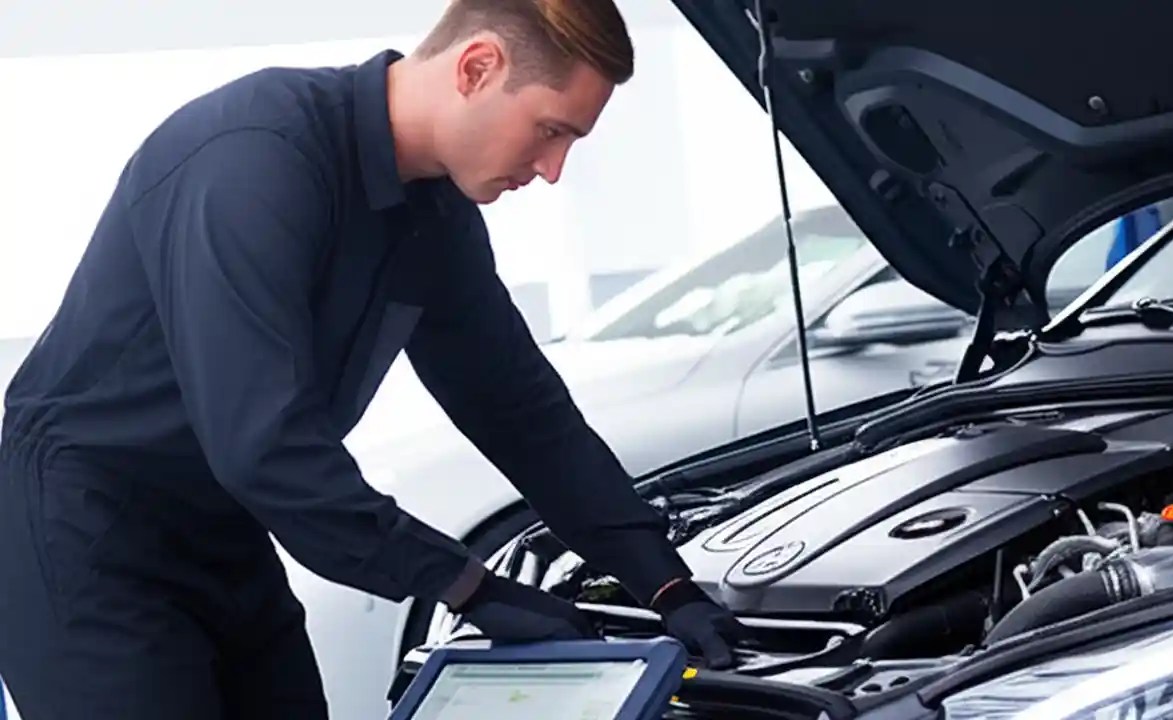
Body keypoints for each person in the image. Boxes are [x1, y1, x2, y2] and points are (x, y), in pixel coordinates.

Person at [0, 0, 746, 717]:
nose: (552, 169)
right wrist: (468, 588)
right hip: (88, 531)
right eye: (550, 130)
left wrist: (667, 586)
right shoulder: (255, 157)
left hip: (224, 527)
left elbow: (522, 413)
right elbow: (262, 443)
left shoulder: (435, 214)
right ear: (477, 67)